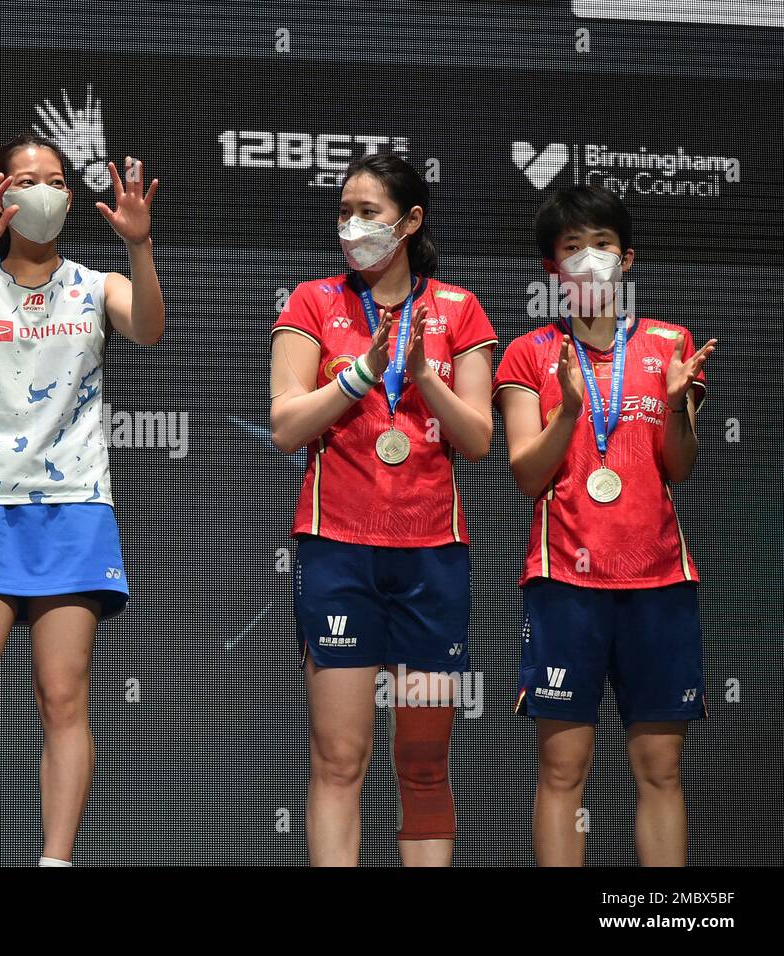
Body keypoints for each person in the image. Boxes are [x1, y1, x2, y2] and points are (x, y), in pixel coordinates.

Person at [0, 134, 164, 866]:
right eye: (28, 179)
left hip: (74, 507)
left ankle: (55, 862)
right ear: (1, 193)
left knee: (63, 697)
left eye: (56, 179)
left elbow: (147, 328)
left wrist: (141, 250)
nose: (44, 191)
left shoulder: (96, 284)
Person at [269, 153, 497, 866]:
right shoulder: (312, 302)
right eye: (345, 212)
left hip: (432, 563)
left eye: (368, 212)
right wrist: (363, 373)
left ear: (410, 221)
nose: (352, 225)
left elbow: (480, 439)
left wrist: (426, 379)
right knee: (339, 757)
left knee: (424, 761)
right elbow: (285, 425)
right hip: (338, 556)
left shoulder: (458, 311)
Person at [493, 184, 714, 866]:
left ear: (628, 257)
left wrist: (678, 406)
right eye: (571, 248)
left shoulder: (670, 344)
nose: (589, 260)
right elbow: (527, 473)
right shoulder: (530, 354)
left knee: (661, 772)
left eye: (602, 245)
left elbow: (679, 467)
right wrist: (567, 407)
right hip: (567, 583)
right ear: (551, 270)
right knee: (563, 773)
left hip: (658, 584)